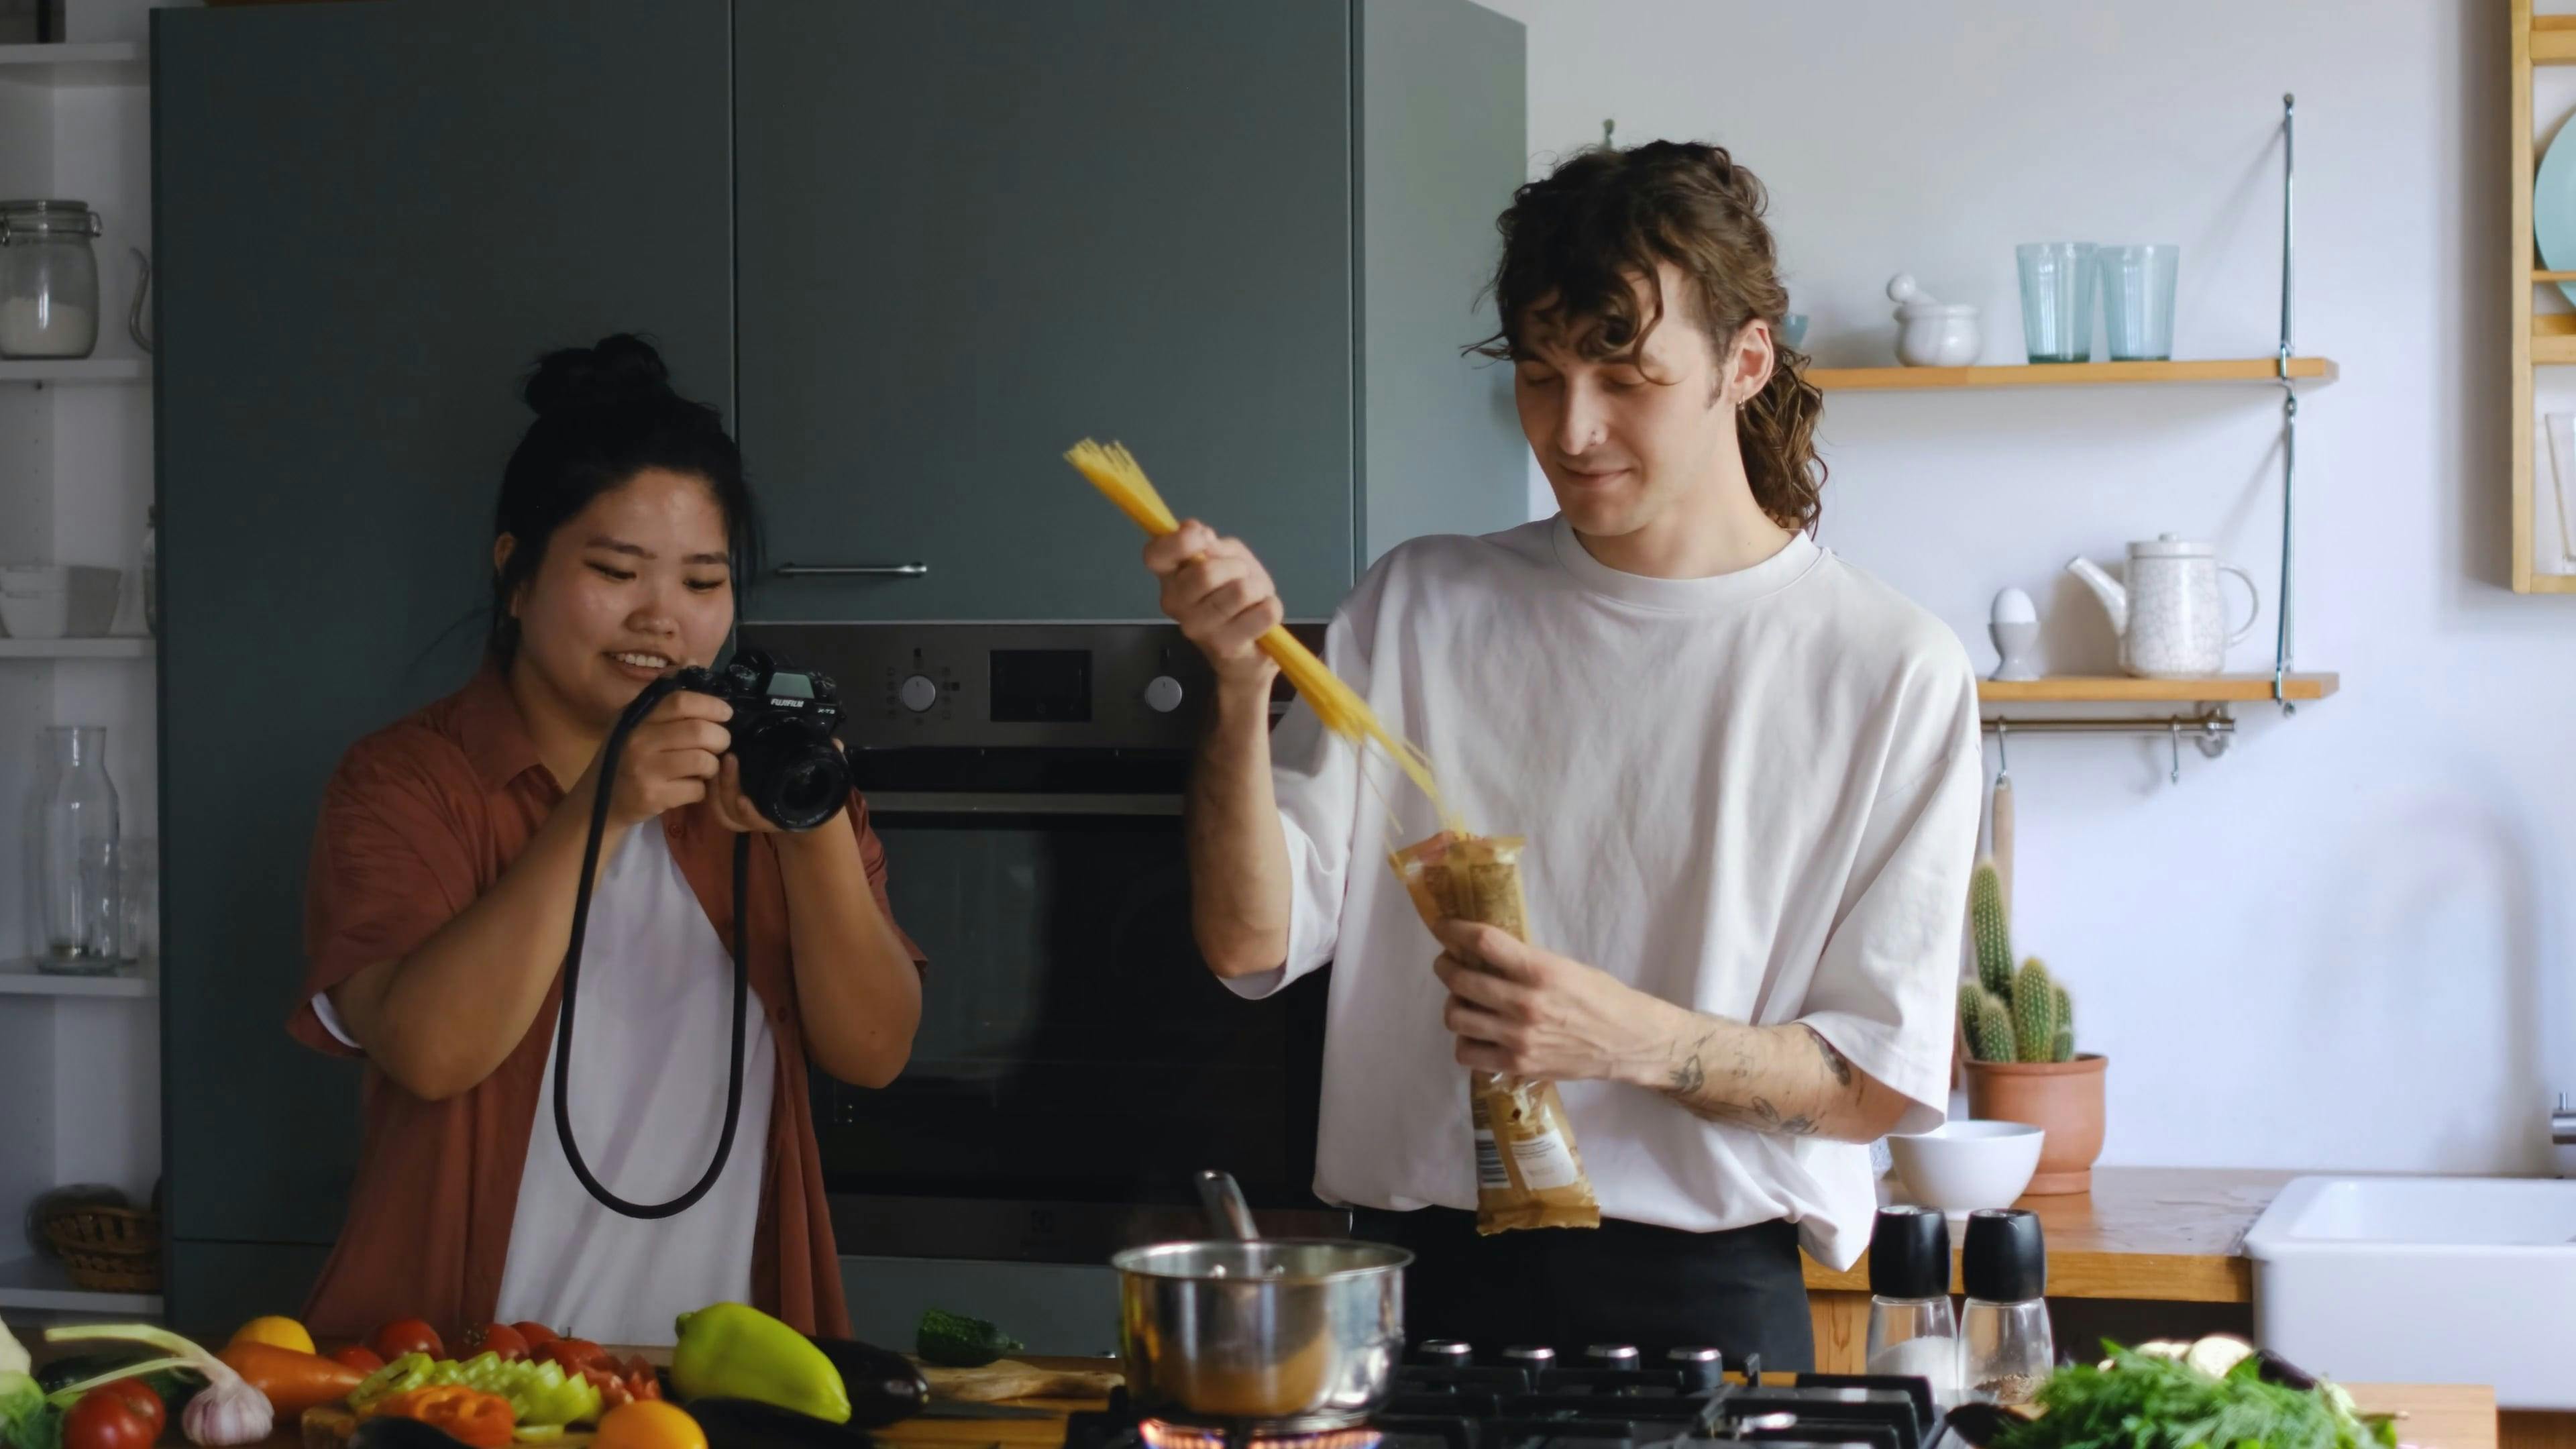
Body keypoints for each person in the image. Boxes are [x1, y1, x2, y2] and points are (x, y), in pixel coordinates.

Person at [1142, 142, 1979, 1365]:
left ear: (1745, 361)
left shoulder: (1887, 667)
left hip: (1706, 1311)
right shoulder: (1420, 606)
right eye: (1541, 376)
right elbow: (1248, 941)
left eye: (1626, 378)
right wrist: (1235, 688)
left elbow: (1877, 1083)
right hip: (1413, 1296)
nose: (1573, 429)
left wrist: (1625, 1038)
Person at [289, 335, 926, 1343]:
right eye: (616, 571)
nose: (661, 619)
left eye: (703, 583)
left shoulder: (779, 777)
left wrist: (812, 840)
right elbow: (430, 1053)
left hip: (719, 1372)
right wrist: (602, 808)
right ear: (516, 572)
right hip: (465, 1374)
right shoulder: (407, 782)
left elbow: (876, 1052)